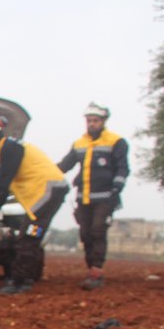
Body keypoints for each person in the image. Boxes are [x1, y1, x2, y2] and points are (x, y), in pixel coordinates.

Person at [0, 115, 69, 296]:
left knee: (29, 237)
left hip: (47, 191)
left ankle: (20, 283)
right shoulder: (10, 147)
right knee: (29, 235)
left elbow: (2, 185)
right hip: (49, 191)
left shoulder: (8, 149)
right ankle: (24, 279)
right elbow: (6, 186)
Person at [58, 102, 130, 290]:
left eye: (95, 121)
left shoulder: (116, 142)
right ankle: (91, 268)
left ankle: (96, 272)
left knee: (98, 231)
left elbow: (123, 168)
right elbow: (65, 165)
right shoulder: (79, 144)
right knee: (85, 234)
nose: (91, 124)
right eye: (89, 121)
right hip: (83, 197)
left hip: (105, 197)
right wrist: (45, 172)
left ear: (103, 121)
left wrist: (117, 189)